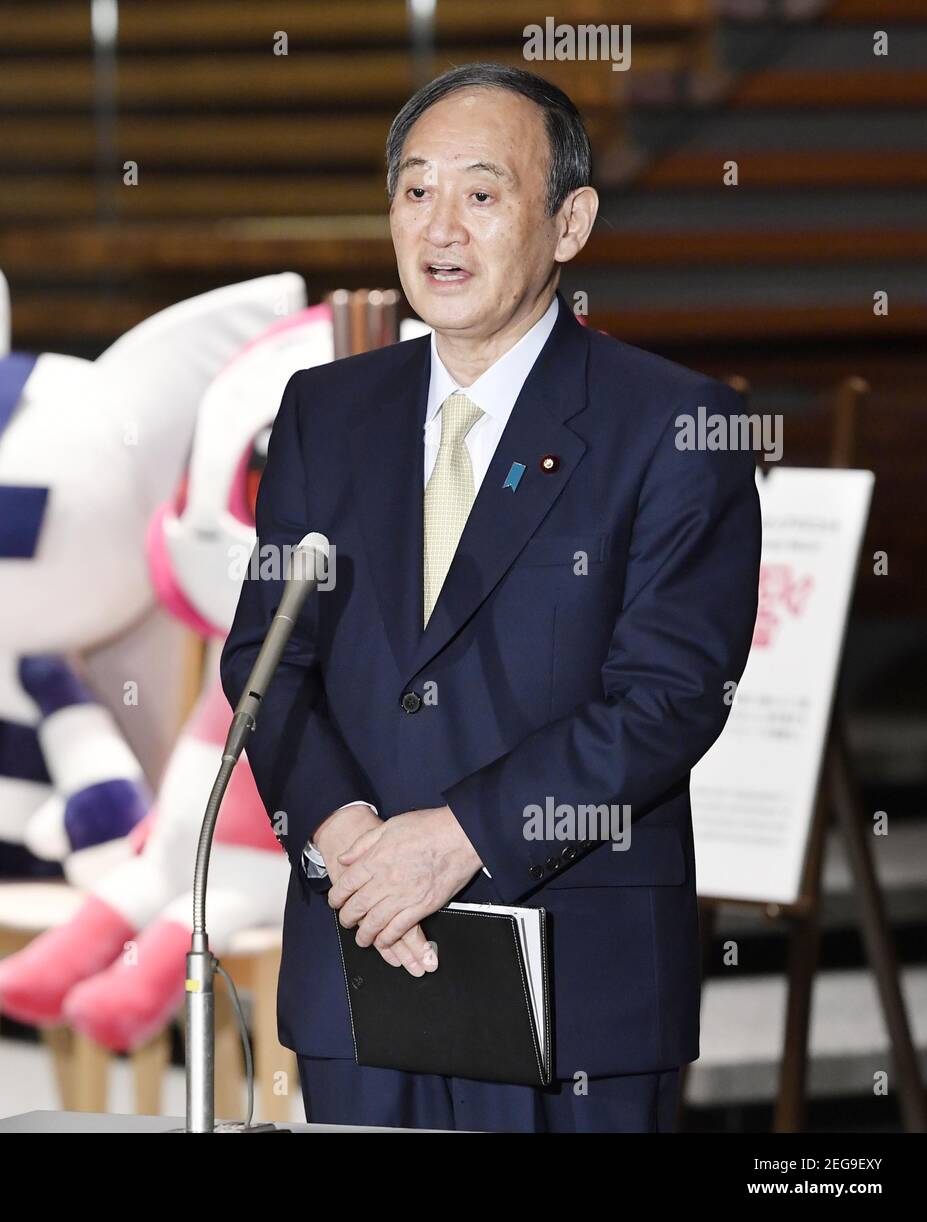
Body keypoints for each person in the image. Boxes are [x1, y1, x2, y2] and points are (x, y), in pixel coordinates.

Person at [220, 63, 762, 1132]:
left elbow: (666, 700)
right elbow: (267, 659)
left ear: (569, 223)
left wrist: (456, 838)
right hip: (360, 945)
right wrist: (345, 837)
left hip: (575, 978)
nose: (440, 227)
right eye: (414, 191)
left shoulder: (671, 424)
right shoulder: (327, 412)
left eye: (481, 191)